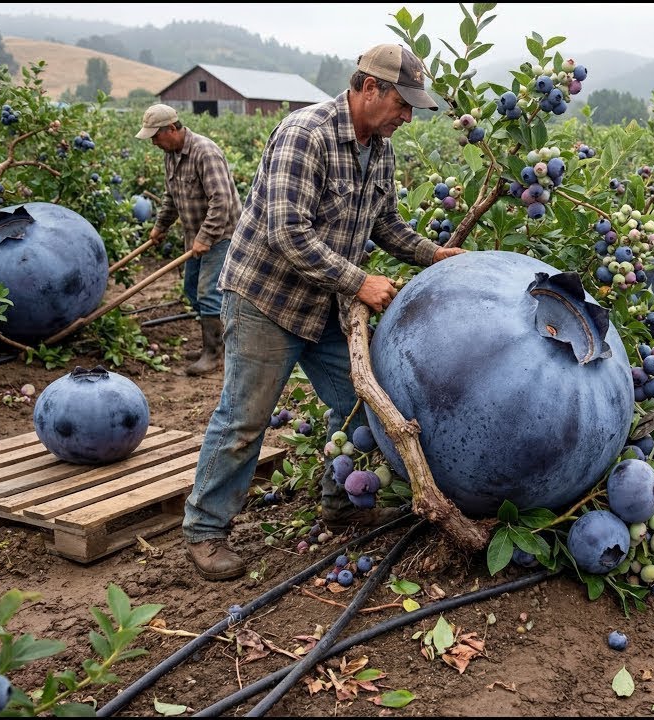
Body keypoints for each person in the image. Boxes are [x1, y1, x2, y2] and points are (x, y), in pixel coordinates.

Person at [182, 43, 466, 580]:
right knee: (245, 420)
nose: (407, 115)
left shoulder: (379, 148)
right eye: (402, 103)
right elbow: (286, 232)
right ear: (367, 88)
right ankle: (204, 530)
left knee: (361, 403)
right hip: (266, 300)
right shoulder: (304, 134)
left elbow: (385, 224)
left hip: (325, 304)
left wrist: (433, 254)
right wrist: (360, 281)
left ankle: (338, 504)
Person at [136, 104, 241, 376]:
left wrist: (206, 237)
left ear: (171, 129)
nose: (153, 143)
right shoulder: (170, 155)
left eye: (155, 136)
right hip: (195, 236)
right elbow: (171, 197)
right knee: (192, 291)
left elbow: (222, 201)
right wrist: (160, 227)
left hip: (222, 235)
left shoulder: (205, 152)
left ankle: (213, 354)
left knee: (208, 293)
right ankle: (217, 343)